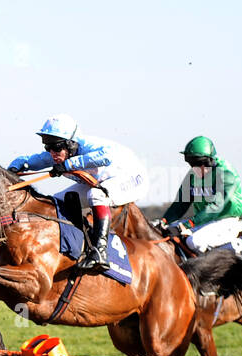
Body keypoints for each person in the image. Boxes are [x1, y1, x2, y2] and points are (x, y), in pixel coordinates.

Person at [8, 115, 148, 272]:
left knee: (96, 195)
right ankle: (79, 243)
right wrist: (13, 168)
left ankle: (100, 253)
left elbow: (106, 156)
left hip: (131, 177)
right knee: (58, 201)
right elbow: (29, 160)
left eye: (57, 147)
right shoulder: (59, 152)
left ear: (71, 143)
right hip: (98, 182)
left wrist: (68, 164)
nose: (52, 153)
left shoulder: (90, 145)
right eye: (48, 147)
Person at [160, 136, 242, 260]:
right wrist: (163, 221)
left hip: (226, 221)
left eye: (202, 164)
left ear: (211, 160)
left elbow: (216, 207)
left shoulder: (226, 173)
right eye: (193, 164)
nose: (198, 169)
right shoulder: (192, 176)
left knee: (195, 242)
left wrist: (185, 225)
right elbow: (180, 205)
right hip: (204, 221)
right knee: (165, 233)